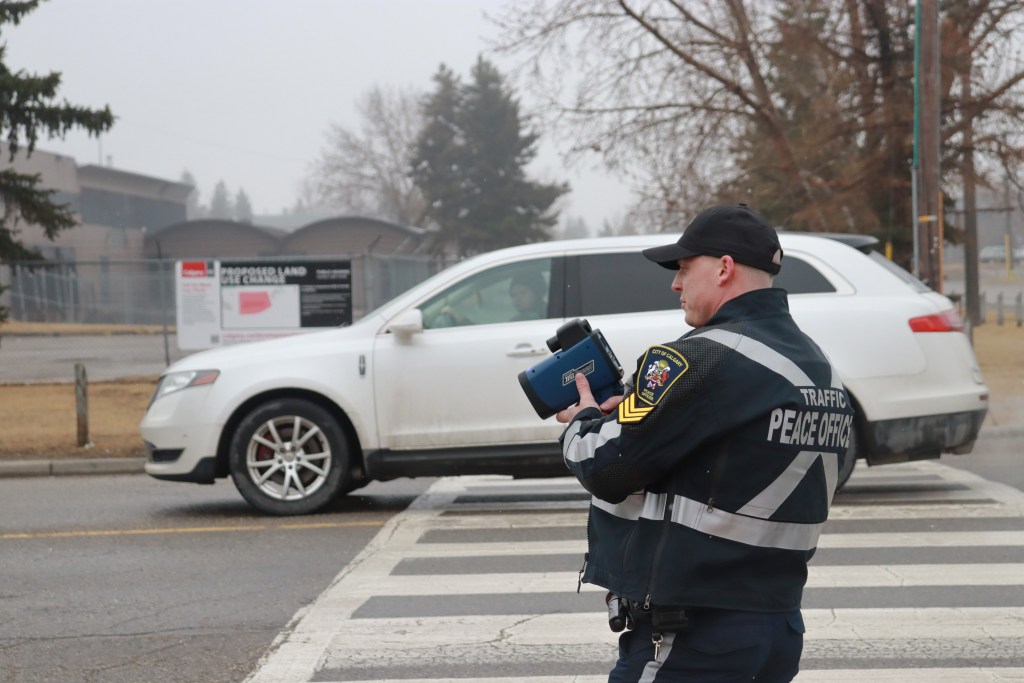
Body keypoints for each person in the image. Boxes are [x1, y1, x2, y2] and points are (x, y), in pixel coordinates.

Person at [556, 203, 853, 682]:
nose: (675, 284)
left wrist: (583, 419)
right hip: (775, 629)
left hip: (693, 636)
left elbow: (605, 466)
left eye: (683, 268)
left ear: (724, 268)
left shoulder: (697, 357)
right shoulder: (819, 369)